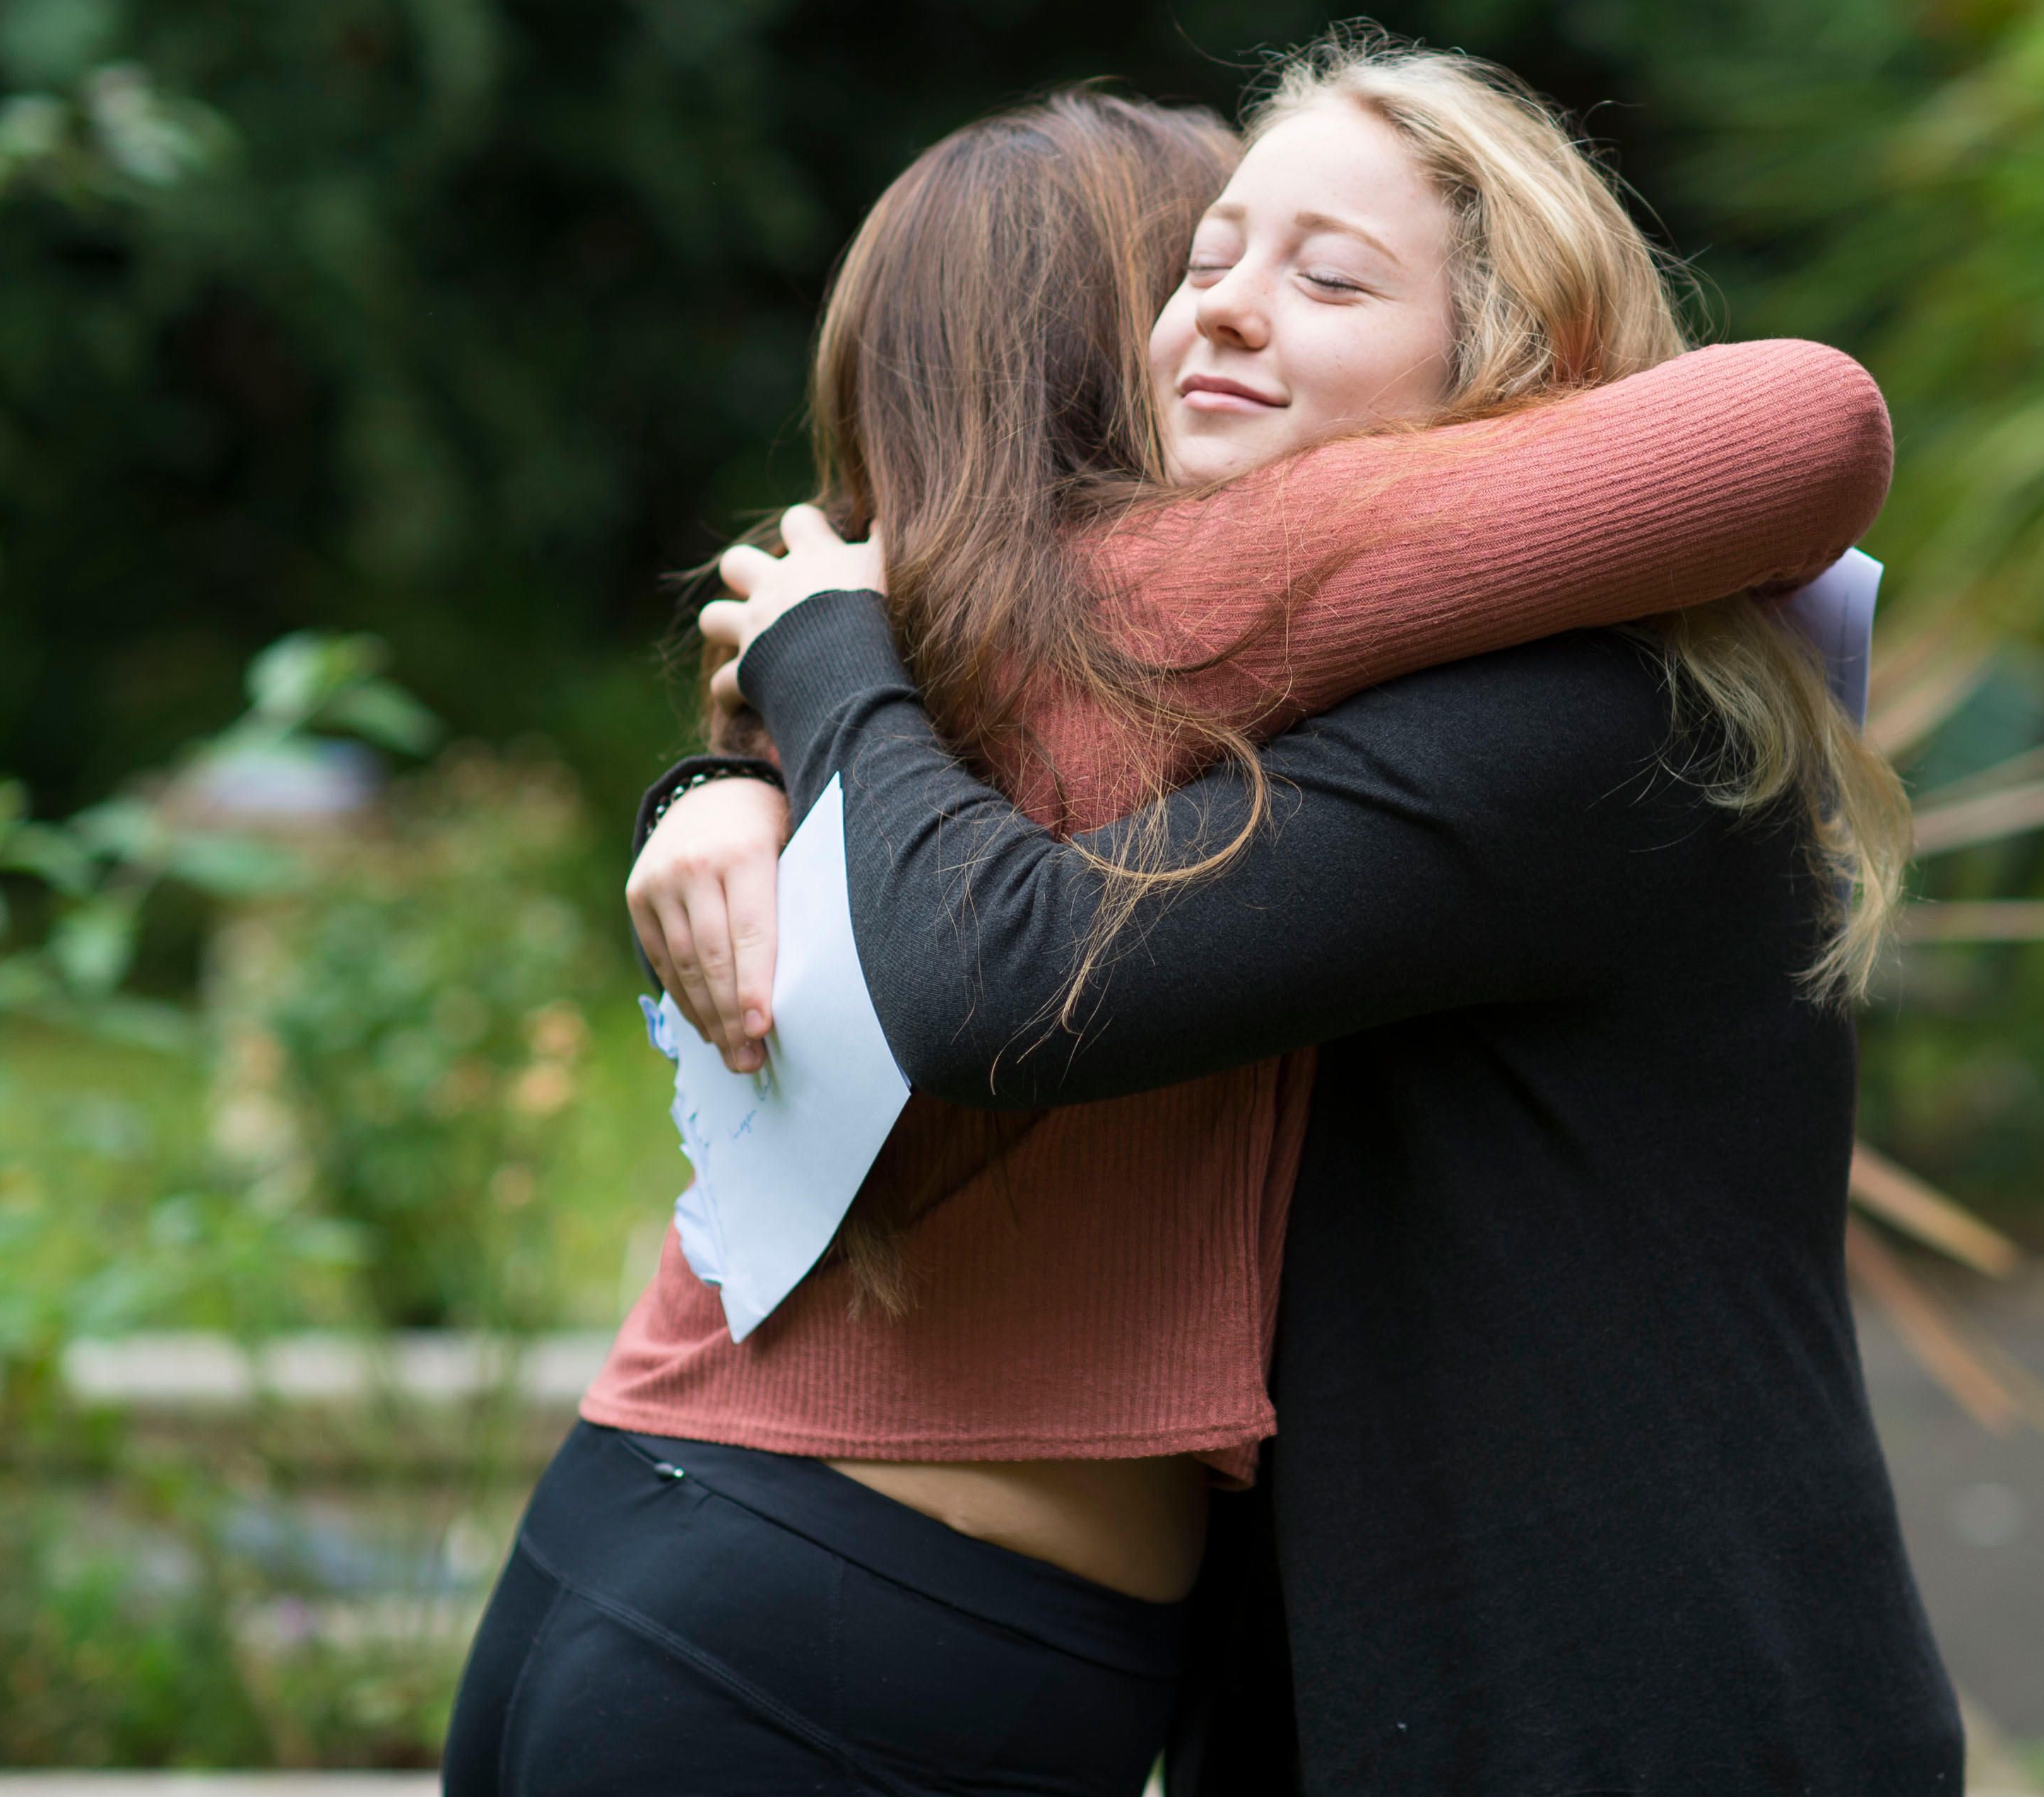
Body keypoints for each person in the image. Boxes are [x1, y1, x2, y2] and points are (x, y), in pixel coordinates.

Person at [446, 49, 1914, 1797]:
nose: (1223, 312)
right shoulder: (1245, 700)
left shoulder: (1562, 728)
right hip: (1334, 1683)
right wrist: (733, 773)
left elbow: (1005, 963)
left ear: (1514, 365)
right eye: (1202, 263)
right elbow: (1001, 760)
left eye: (1330, 276)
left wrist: (826, 661)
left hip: (1621, 1713)